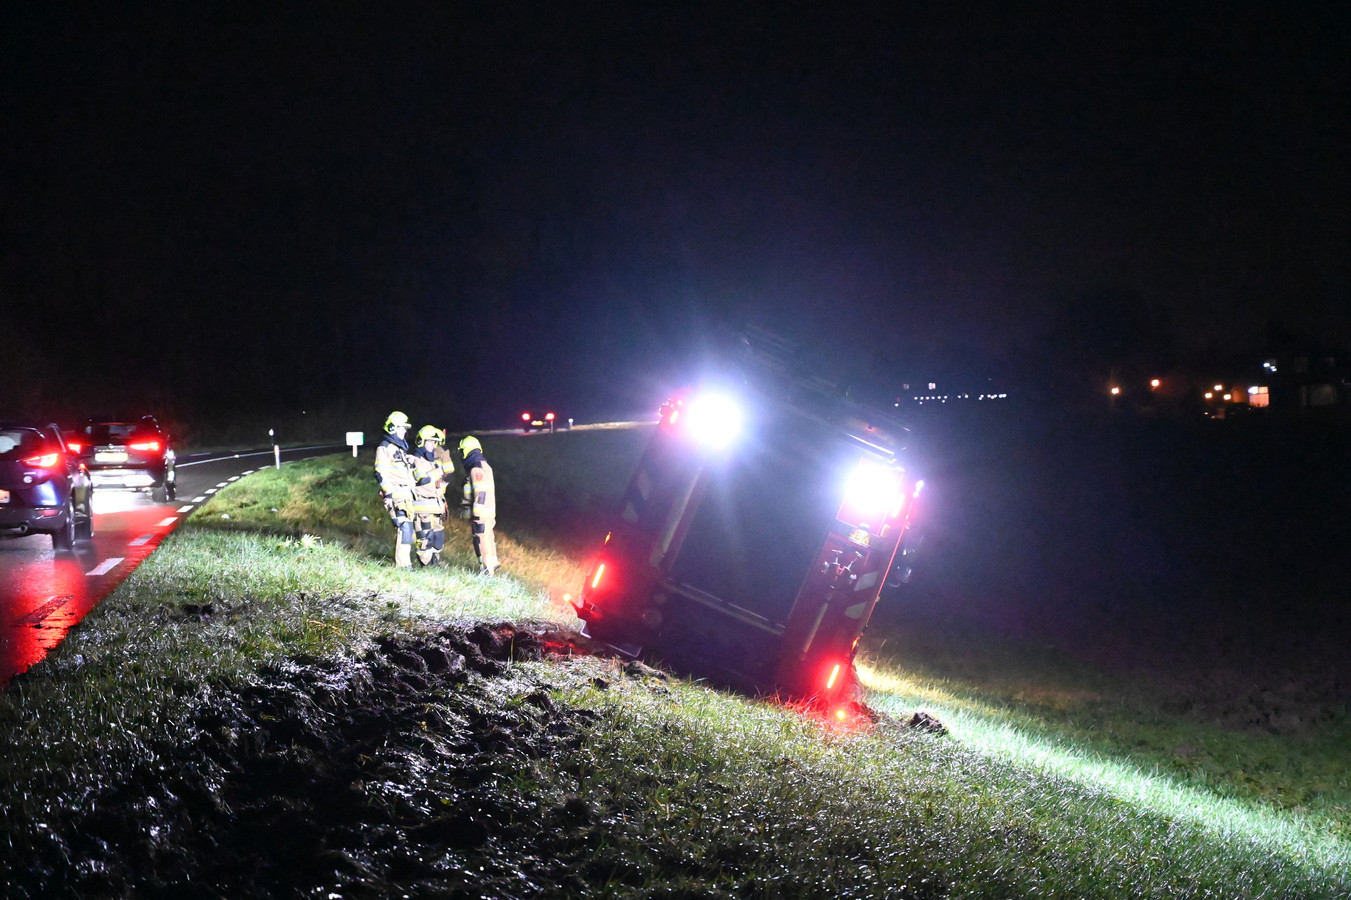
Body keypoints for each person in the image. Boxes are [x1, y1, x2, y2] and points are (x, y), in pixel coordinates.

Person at [374, 411, 417, 568]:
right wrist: (389, 493)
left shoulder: (399, 449)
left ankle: (405, 564)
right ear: (393, 428)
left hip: (406, 496)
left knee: (407, 529)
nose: (405, 431)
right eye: (402, 428)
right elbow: (380, 472)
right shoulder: (384, 448)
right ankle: (403, 565)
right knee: (404, 527)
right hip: (396, 496)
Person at [410, 425, 455, 566]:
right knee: (425, 536)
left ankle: (435, 561)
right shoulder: (416, 459)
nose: (433, 445)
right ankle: (426, 564)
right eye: (430, 442)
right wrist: (438, 472)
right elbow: (422, 479)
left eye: (434, 442)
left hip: (435, 505)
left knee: (438, 535)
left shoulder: (431, 461)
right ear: (421, 442)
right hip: (423, 505)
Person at [457, 435, 499, 575]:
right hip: (489, 511)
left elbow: (480, 493)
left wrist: (476, 514)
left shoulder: (476, 467)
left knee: (481, 539)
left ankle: (486, 569)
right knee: (488, 537)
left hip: (481, 513)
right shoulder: (483, 464)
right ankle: (492, 564)